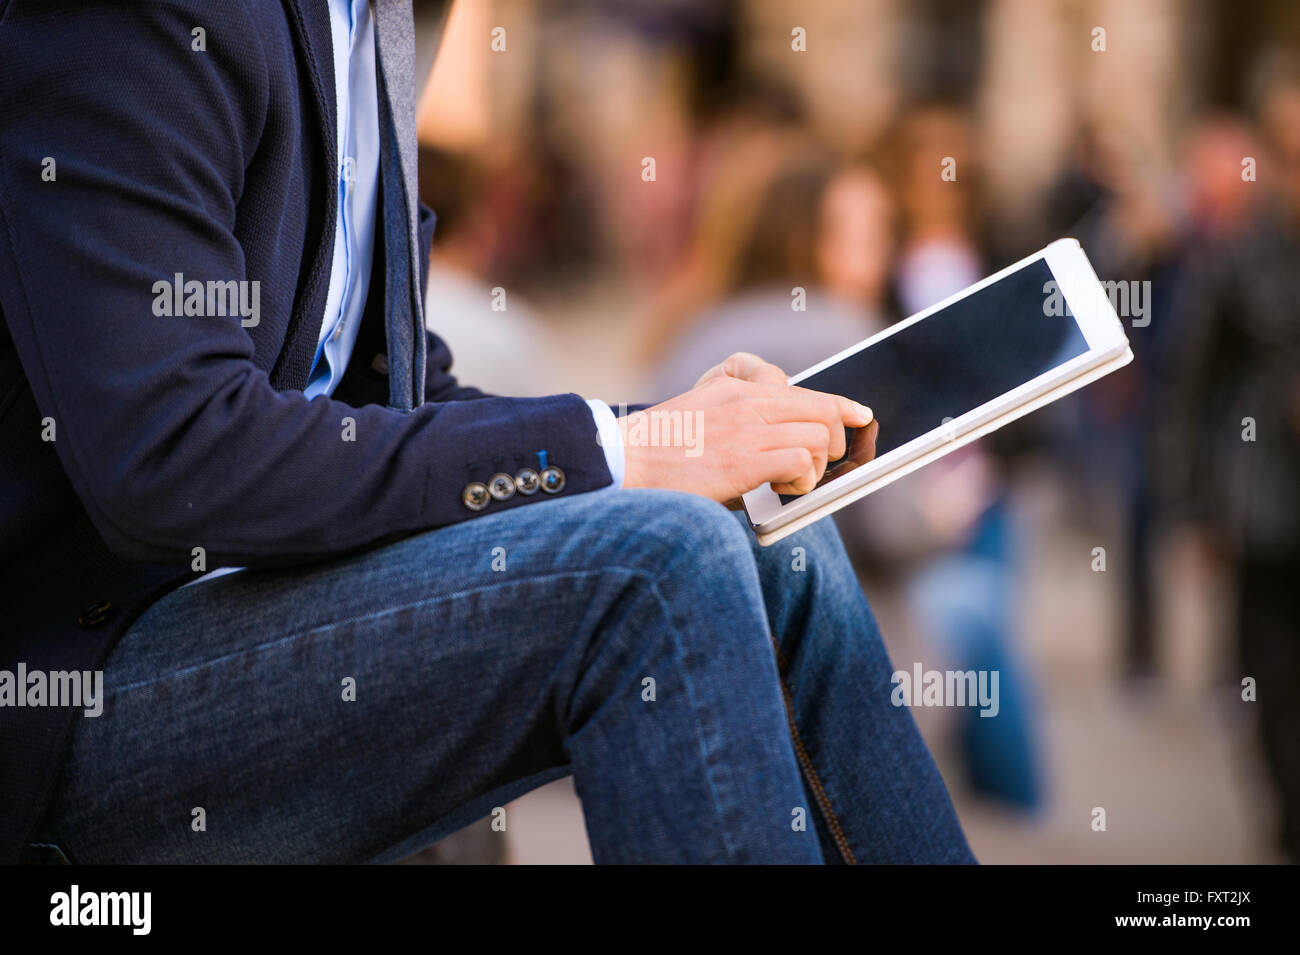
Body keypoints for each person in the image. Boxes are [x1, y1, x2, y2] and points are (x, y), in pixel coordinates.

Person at [0, 0, 973, 864]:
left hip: (253, 616)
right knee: (658, 566)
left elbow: (403, 394)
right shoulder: (151, 16)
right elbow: (174, 455)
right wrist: (623, 453)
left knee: (770, 535)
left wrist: (674, 437)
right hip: (68, 705)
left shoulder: (372, 27)